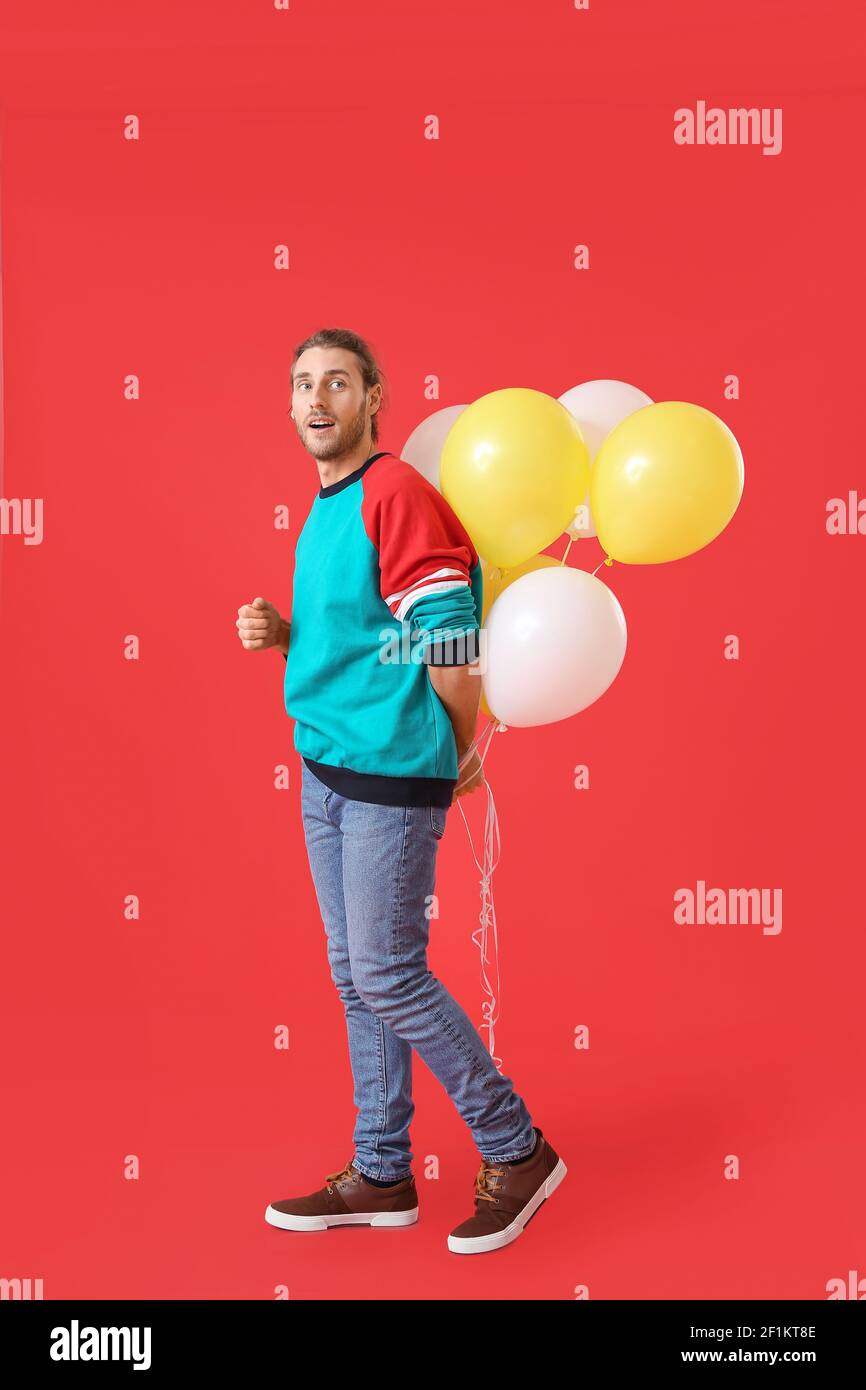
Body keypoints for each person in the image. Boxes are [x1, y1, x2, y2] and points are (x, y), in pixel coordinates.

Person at [237, 327, 566, 1254]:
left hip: (389, 777)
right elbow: (370, 634)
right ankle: (381, 1172)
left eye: (336, 383)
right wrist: (287, 633)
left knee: (387, 971)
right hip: (327, 771)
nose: (316, 400)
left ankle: (518, 1148)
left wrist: (453, 752)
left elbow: (451, 636)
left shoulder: (392, 492)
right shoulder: (329, 503)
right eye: (302, 383)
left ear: (372, 397)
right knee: (356, 976)